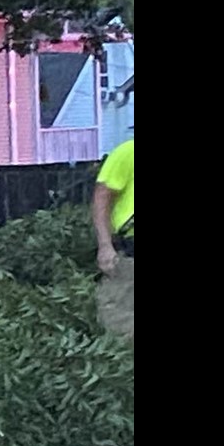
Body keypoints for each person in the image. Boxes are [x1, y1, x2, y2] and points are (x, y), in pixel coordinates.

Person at [91, 135, 134, 341]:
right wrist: (105, 245)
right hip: (130, 255)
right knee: (119, 323)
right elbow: (102, 197)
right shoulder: (128, 152)